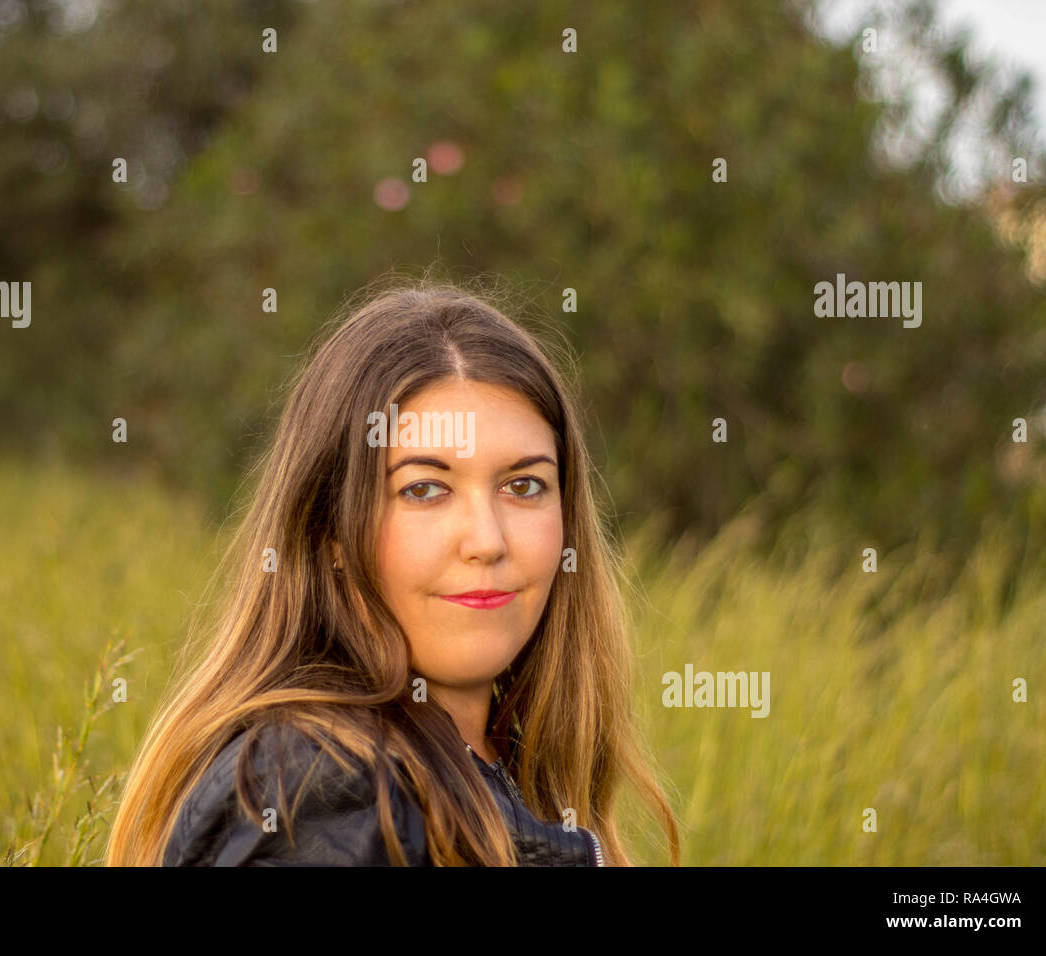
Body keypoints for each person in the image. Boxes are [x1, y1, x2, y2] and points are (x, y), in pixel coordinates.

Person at [105, 277, 681, 866]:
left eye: (523, 485)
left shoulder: (493, 767)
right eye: (424, 489)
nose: (487, 540)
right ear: (329, 529)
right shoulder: (319, 788)